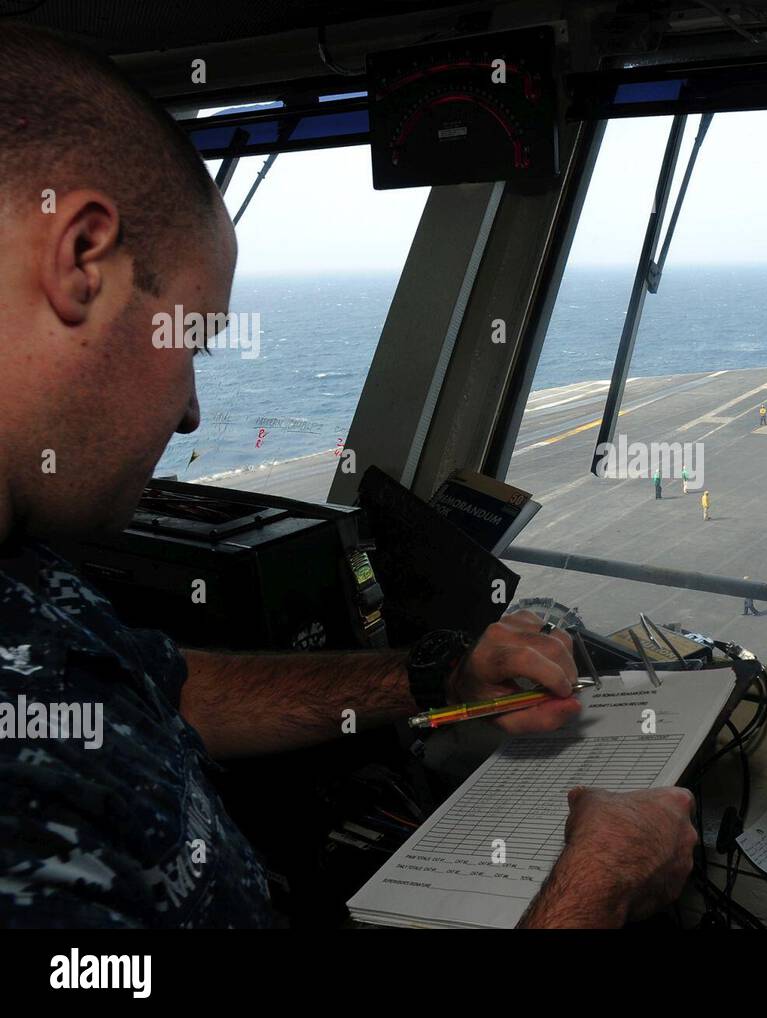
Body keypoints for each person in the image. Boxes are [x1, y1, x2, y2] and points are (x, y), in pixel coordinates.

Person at [0, 23, 697, 930]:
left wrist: (434, 675)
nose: (189, 413)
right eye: (191, 342)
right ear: (83, 257)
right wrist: (593, 891)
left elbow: (167, 691)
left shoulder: (25, 567)